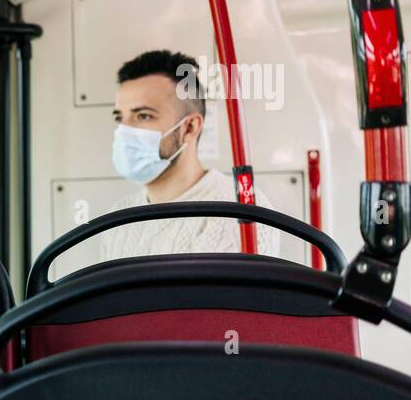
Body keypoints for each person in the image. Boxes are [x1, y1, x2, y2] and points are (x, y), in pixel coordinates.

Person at [101, 49, 281, 261]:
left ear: (189, 127)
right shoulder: (119, 215)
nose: (125, 131)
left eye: (143, 116)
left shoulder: (240, 213)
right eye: (120, 117)